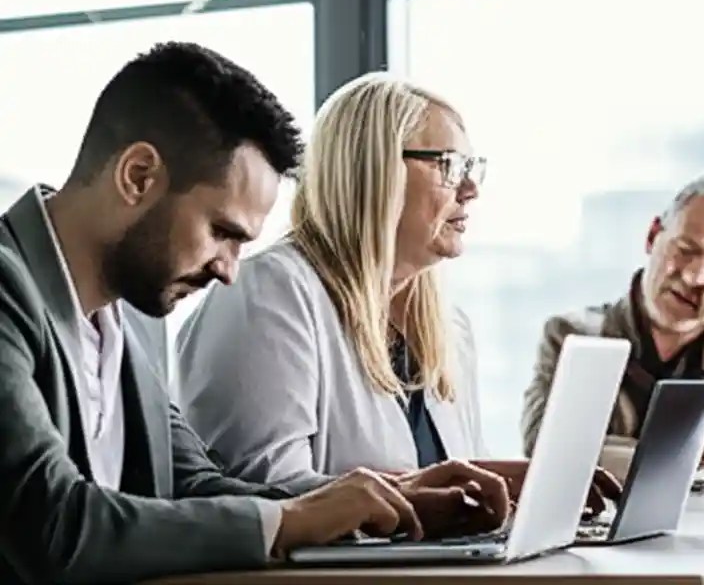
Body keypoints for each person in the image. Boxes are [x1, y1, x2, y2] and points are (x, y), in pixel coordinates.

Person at [0, 44, 510, 584]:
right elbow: (53, 523)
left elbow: (195, 483)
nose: (228, 271)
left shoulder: (131, 317)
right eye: (222, 232)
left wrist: (385, 503)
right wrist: (288, 520)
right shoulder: (11, 289)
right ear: (139, 176)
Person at [175, 72, 618, 510]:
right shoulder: (267, 294)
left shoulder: (449, 326)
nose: (471, 190)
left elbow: (449, 494)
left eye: (470, 167)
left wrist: (504, 483)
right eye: (449, 165)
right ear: (374, 170)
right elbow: (263, 504)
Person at [522, 171, 704, 481]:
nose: (695, 277)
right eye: (686, 250)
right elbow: (546, 448)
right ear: (652, 236)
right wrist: (691, 460)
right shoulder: (573, 334)